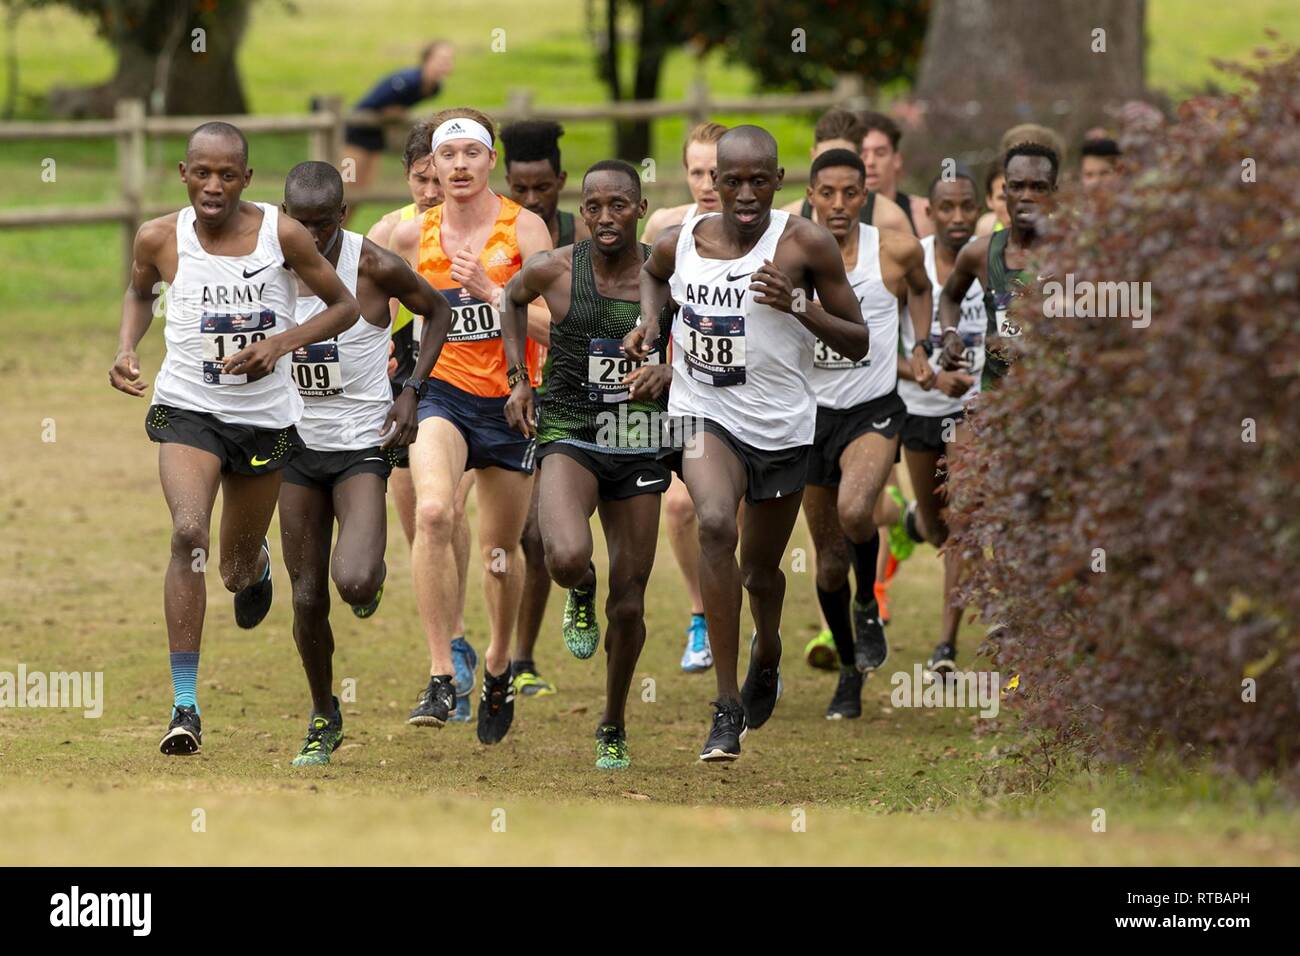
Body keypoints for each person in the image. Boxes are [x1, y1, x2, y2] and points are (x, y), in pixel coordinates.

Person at [109, 123, 360, 755]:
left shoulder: (283, 234)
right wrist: (126, 348)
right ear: (184, 174)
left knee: (232, 569)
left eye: (227, 175)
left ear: (247, 178)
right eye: (202, 173)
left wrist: (280, 344)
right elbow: (140, 291)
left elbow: (344, 306)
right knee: (187, 532)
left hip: (262, 419)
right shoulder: (159, 237)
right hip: (188, 408)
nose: (213, 186)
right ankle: (185, 706)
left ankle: (257, 566)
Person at [625, 126, 870, 761]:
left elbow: (858, 341)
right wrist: (651, 323)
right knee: (712, 524)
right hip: (701, 414)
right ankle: (726, 706)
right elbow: (651, 274)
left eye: (759, 180)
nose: (745, 194)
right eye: (731, 180)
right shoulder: (682, 240)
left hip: (780, 429)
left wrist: (799, 306)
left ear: (779, 180)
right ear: (712, 181)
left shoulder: (805, 243)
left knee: (761, 571)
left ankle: (769, 647)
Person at [277, 161, 451, 765]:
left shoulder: (373, 265)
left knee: (353, 580)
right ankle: (324, 714)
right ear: (283, 217)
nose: (311, 236)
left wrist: (412, 390)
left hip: (361, 445)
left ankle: (368, 574)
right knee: (306, 596)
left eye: (323, 224)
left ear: (343, 216)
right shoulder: (267, 266)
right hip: (294, 447)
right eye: (300, 224)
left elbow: (438, 311)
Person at [388, 107, 553, 743]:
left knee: (498, 554)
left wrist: (493, 291)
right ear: (432, 164)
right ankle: (440, 672)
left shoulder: (525, 227)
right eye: (447, 155)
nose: (458, 166)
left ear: (490, 161)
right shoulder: (411, 236)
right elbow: (380, 314)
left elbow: (557, 325)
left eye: (471, 154)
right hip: (444, 397)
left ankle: (500, 662)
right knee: (433, 513)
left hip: (512, 402)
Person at [502, 159, 673, 768]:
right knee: (566, 556)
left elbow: (701, 346)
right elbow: (510, 299)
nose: (605, 218)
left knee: (629, 602)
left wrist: (669, 371)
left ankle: (613, 721)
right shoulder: (553, 268)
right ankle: (581, 587)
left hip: (639, 436)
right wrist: (519, 379)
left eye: (618, 205)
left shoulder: (666, 275)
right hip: (570, 429)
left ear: (640, 209)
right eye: (593, 206)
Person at [797, 149, 934, 719]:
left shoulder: (895, 251)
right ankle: (850, 670)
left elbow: (922, 289)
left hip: (873, 410)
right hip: (809, 419)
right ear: (810, 194)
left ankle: (868, 603)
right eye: (826, 193)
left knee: (857, 511)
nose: (838, 204)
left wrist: (920, 343)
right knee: (828, 564)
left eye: (850, 193)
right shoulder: (791, 256)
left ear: (865, 196)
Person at [368, 121, 479, 720]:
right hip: (406, 387)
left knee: (449, 508)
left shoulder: (482, 227)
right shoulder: (392, 233)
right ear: (409, 176)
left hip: (468, 387)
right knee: (419, 518)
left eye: (441, 180)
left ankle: (455, 648)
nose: (434, 192)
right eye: (421, 180)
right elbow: (366, 311)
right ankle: (448, 638)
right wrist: (378, 349)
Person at [499, 118, 595, 697]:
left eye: (542, 187)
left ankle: (524, 660)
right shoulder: (497, 234)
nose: (531, 198)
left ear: (561, 181)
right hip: (496, 391)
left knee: (536, 536)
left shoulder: (585, 238)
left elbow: (580, 331)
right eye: (519, 188)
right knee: (483, 532)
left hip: (565, 395)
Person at [640, 120, 729, 674]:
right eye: (697, 172)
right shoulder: (666, 228)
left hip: (750, 400)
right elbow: (647, 299)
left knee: (734, 522)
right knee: (678, 506)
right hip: (684, 394)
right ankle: (701, 615)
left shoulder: (764, 234)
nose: (707, 184)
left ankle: (748, 624)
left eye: (717, 172)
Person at [897, 170, 986, 679]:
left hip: (973, 407)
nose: (957, 217)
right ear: (929, 212)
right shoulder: (912, 262)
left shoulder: (988, 261)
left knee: (963, 518)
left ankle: (945, 644)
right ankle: (915, 520)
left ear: (978, 210)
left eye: (966, 207)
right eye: (946, 207)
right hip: (918, 408)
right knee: (937, 528)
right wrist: (928, 377)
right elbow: (878, 349)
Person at [938, 142, 1060, 394]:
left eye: (1038, 187)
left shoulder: (1073, 255)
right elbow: (949, 296)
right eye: (1017, 187)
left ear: (1054, 193)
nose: (1026, 196)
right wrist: (950, 333)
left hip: (1058, 398)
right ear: (1005, 192)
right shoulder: (979, 253)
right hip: (999, 399)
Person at [343, 41, 455, 200]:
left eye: (449, 60)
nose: (446, 64)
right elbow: (375, 103)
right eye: (441, 59)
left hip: (377, 133)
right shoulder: (407, 81)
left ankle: (346, 217)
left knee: (363, 189)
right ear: (427, 59)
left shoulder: (434, 88)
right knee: (348, 185)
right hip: (357, 130)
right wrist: (389, 110)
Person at [781, 108, 915, 235]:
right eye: (826, 159)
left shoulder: (890, 219)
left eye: (844, 160)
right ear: (813, 155)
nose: (835, 171)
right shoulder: (788, 222)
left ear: (860, 158)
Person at [857, 111, 932, 237]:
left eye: (880, 153)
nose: (870, 162)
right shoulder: (840, 218)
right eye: (862, 154)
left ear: (897, 159)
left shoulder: (924, 214)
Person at [975, 164, 1008, 237]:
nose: (1009, 205)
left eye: (1018, 197)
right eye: (1002, 198)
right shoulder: (986, 229)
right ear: (989, 200)